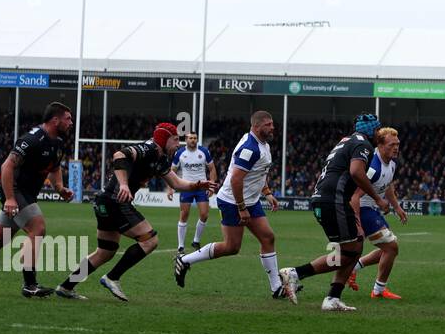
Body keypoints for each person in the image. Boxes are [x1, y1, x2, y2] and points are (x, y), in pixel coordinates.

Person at [60, 122, 217, 301]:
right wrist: (124, 184)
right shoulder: (148, 148)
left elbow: (177, 183)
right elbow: (119, 155)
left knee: (105, 251)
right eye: (175, 140)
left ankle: (66, 286)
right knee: (150, 240)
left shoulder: (161, 158)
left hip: (106, 201)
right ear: (165, 139)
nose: (178, 144)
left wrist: (198, 184)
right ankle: (112, 277)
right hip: (115, 201)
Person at [174, 111, 288, 301]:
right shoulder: (251, 148)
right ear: (257, 126)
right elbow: (236, 179)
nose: (272, 127)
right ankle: (184, 260)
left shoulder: (263, 144)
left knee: (268, 237)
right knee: (231, 247)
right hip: (233, 201)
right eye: (268, 124)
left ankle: (276, 287)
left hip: (250, 201)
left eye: (272, 123)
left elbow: (259, 172)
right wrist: (241, 208)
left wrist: (267, 193)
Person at [282, 114, 389, 312]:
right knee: (351, 251)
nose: (378, 134)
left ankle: (332, 298)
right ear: (370, 130)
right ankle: (296, 273)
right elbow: (356, 172)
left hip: (327, 198)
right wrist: (378, 198)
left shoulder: (346, 141)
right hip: (334, 199)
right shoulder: (363, 144)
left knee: (353, 248)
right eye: (377, 130)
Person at [0, 102, 74, 297]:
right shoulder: (32, 140)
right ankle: (30, 284)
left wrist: (59, 188)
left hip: (25, 194)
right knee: (37, 228)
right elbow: (6, 167)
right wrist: (10, 198)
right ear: (55, 120)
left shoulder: (57, 142)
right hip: (15, 191)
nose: (71, 122)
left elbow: (54, 167)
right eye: (68, 118)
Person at [346, 126, 408, 300]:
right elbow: (355, 196)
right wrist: (357, 223)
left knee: (388, 250)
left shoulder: (392, 163)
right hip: (363, 209)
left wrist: (397, 207)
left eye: (397, 144)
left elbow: (388, 186)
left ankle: (353, 268)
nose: (395, 148)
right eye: (391, 144)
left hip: (373, 210)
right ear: (380, 145)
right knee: (391, 247)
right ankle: (378, 290)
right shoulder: (372, 166)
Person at [168, 131, 216, 253]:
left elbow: (212, 168)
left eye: (195, 138)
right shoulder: (180, 153)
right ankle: (181, 246)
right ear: (186, 139)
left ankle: (196, 240)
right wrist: (171, 188)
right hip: (187, 187)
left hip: (202, 186)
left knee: (204, 215)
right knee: (184, 215)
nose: (193, 140)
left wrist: (211, 185)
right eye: (190, 138)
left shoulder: (204, 151)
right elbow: (172, 171)